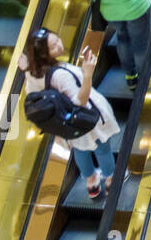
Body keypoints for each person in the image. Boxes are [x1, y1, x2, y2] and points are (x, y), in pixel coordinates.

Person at [19, 27, 120, 198]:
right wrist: (87, 74)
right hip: (87, 118)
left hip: (66, 123)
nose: (59, 45)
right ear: (44, 54)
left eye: (57, 40)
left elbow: (31, 92)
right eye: (53, 47)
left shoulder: (32, 72)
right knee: (102, 148)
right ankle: (111, 179)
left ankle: (91, 181)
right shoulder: (59, 75)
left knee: (80, 149)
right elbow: (80, 101)